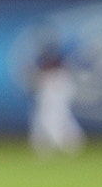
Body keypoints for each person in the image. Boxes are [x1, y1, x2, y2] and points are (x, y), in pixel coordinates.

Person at [27, 27, 84, 156]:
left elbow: (55, 67)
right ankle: (49, 147)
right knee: (49, 117)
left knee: (51, 118)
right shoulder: (44, 53)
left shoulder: (55, 52)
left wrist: (38, 72)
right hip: (53, 87)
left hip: (58, 86)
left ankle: (64, 146)